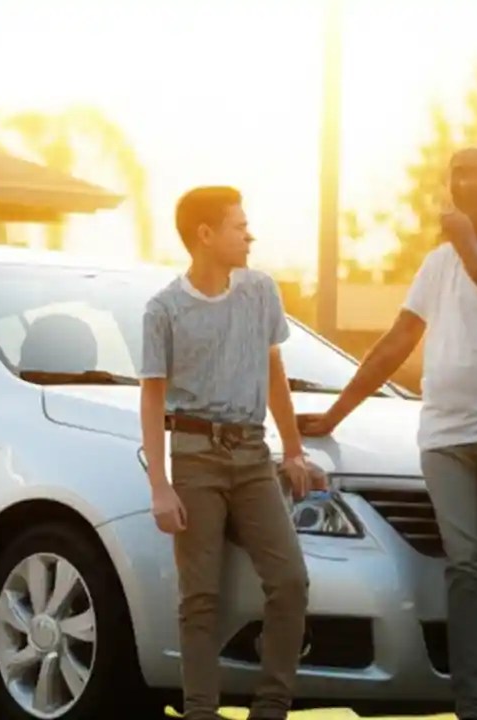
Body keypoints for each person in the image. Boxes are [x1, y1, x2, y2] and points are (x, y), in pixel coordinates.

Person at [299, 147, 477, 720]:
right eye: (458, 174)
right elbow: (396, 341)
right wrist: (335, 415)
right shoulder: (437, 264)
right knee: (465, 568)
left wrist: (465, 240)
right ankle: (471, 703)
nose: (467, 182)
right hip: (445, 439)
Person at [139, 185, 320, 720]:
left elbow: (273, 371)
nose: (250, 235)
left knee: (289, 581)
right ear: (205, 234)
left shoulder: (260, 291)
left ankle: (272, 708)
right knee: (200, 596)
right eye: (240, 227)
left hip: (252, 455)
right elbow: (151, 399)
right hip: (195, 455)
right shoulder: (163, 310)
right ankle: (200, 712)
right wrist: (160, 485)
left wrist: (292, 450)